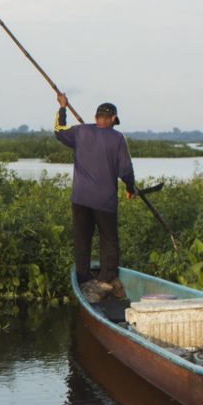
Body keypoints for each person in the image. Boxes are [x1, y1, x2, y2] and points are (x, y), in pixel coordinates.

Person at [54, 93, 137, 300]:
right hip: (104, 201)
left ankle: (83, 277)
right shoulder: (117, 138)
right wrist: (130, 187)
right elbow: (125, 170)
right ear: (112, 118)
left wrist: (63, 107)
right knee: (109, 240)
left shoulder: (80, 132)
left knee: (82, 238)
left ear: (96, 117)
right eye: (114, 121)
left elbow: (59, 131)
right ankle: (107, 278)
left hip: (80, 199)